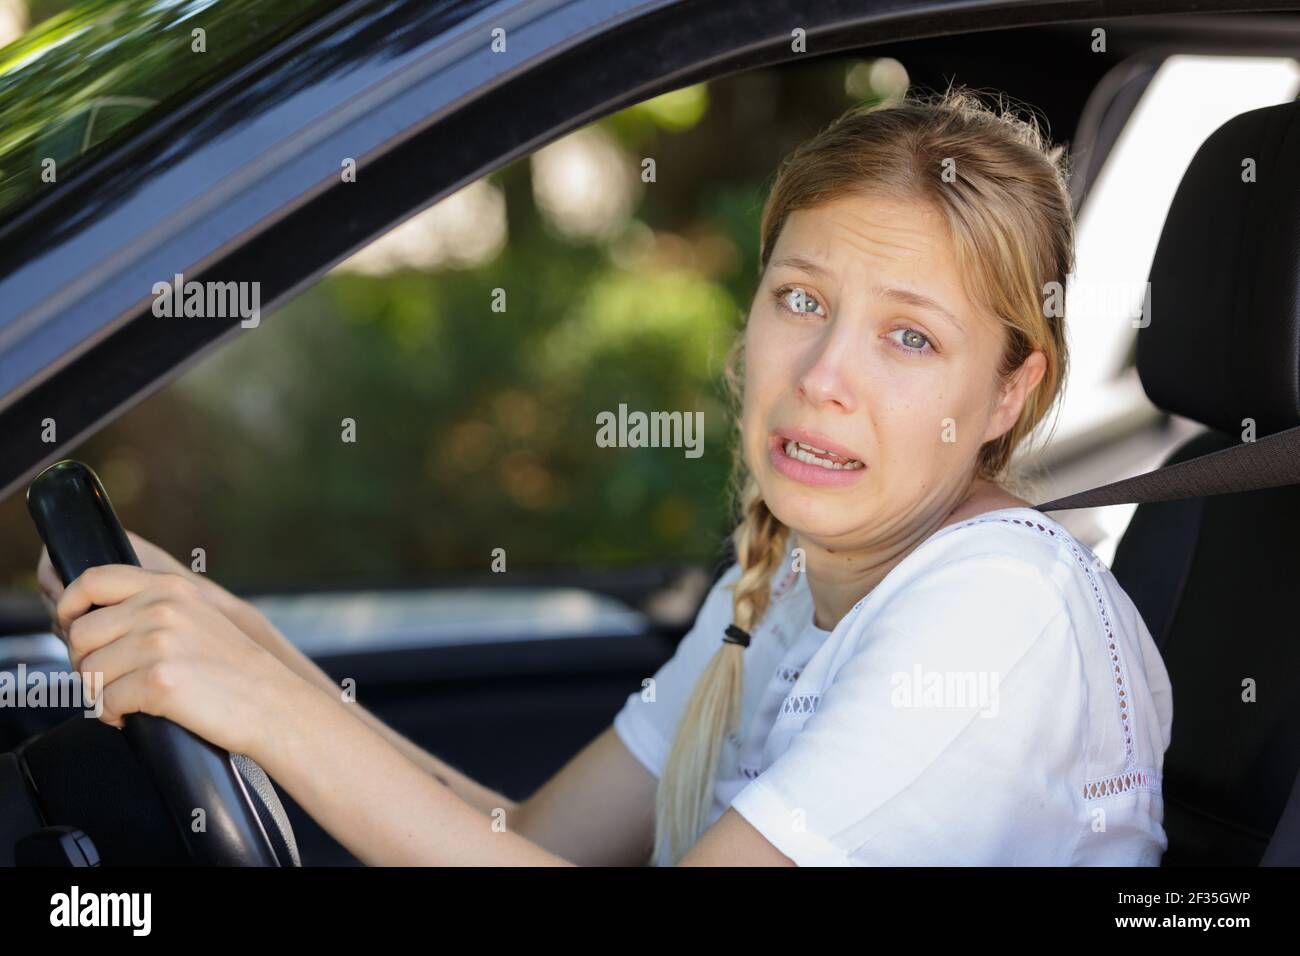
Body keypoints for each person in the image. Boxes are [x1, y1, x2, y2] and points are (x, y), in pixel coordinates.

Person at [36, 86, 1172, 866]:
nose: (823, 373)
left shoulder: (994, 614)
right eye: (801, 299)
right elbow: (526, 835)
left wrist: (273, 710)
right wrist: (242, 652)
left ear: (1009, 392)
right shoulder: (787, 580)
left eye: (909, 337)